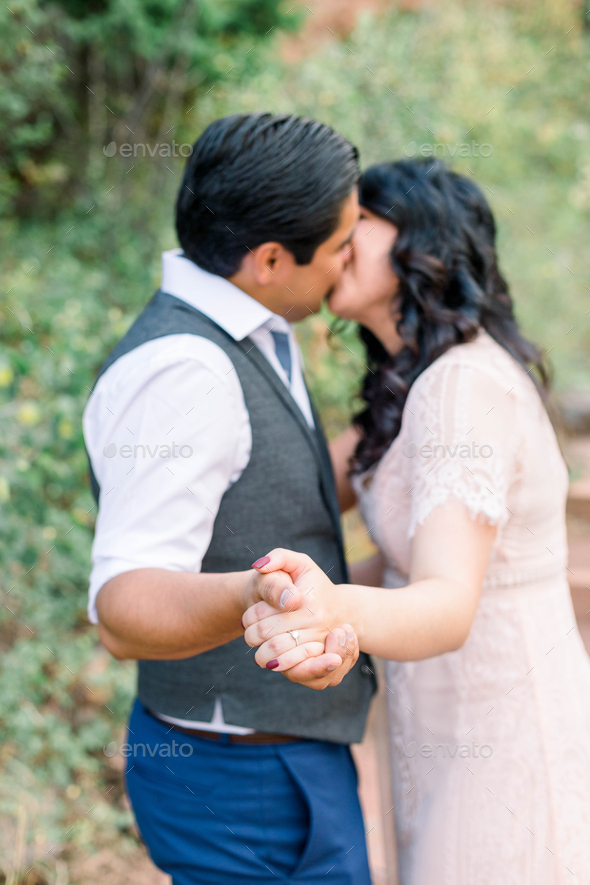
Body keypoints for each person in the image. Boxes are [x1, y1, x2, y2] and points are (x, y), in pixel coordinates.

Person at [243, 159, 590, 884]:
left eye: (356, 222)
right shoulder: (416, 384)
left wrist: (325, 607)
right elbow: (396, 561)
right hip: (437, 722)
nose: (334, 239)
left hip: (498, 724)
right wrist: (276, 592)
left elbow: (447, 598)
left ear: (419, 240)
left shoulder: (462, 384)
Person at [83, 113, 377, 885]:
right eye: (343, 243)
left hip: (271, 756)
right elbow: (123, 607)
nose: (348, 264)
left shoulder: (246, 328)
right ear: (272, 257)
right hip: (237, 779)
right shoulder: (188, 372)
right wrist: (256, 591)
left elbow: (275, 488)